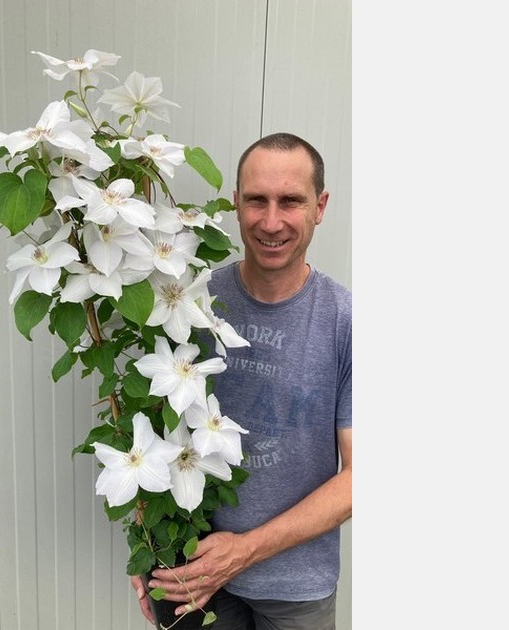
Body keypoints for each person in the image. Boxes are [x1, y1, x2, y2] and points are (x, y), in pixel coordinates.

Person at [132, 132, 351, 629]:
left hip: (297, 587)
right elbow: (148, 427)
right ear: (235, 203)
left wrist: (244, 551)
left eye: (291, 201)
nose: (271, 222)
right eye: (256, 200)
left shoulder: (347, 321)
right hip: (190, 568)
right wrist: (148, 544)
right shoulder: (187, 301)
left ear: (320, 206)